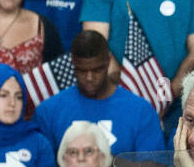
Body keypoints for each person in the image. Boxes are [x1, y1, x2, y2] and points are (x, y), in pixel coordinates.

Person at [34, 31, 164, 160]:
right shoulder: (48, 111)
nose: (89, 78)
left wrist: (105, 163)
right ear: (73, 63)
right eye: (82, 70)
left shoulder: (141, 111)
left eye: (97, 70)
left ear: (108, 61)